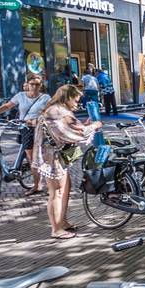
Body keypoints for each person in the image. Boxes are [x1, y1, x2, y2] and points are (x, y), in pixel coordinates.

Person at [36, 85, 100, 239]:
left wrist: (85, 126)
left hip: (54, 155)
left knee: (65, 187)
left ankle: (62, 222)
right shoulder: (57, 111)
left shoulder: (56, 110)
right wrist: (93, 126)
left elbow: (71, 128)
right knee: (56, 191)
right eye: (75, 100)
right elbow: (69, 133)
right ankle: (56, 229)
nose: (76, 104)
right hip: (51, 157)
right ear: (67, 97)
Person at [0, 75, 50, 195]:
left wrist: (37, 120)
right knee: (30, 156)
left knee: (35, 159)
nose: (34, 87)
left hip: (38, 130)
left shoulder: (45, 98)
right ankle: (33, 179)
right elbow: (8, 106)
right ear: (27, 83)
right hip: (24, 129)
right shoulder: (20, 96)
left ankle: (39, 186)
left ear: (41, 85)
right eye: (32, 84)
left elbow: (49, 113)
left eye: (37, 84)